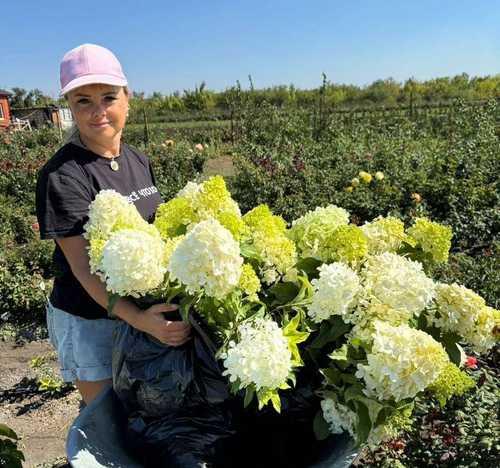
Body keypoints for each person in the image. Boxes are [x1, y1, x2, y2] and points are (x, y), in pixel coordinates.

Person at [35, 43, 191, 405]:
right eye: (83, 101)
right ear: (70, 107)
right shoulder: (63, 175)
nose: (98, 111)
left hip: (137, 313)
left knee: (143, 407)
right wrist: (140, 320)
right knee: (107, 415)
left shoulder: (138, 159)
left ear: (127, 97)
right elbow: (85, 271)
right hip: (90, 320)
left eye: (108, 96)